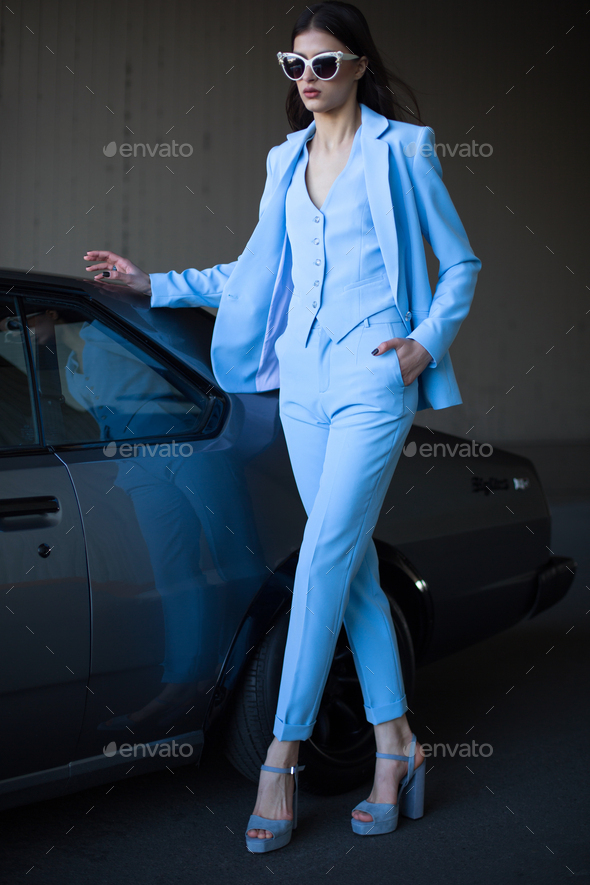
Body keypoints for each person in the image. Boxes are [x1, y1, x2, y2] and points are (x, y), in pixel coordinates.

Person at [83, 0, 481, 854]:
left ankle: (281, 754)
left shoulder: (401, 152)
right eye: (294, 65)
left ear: (359, 66)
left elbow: (462, 263)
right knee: (358, 570)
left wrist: (422, 345)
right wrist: (152, 284)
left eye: (326, 63)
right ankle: (398, 746)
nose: (308, 79)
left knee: (325, 556)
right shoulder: (283, 160)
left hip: (374, 377)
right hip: (299, 383)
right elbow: (253, 270)